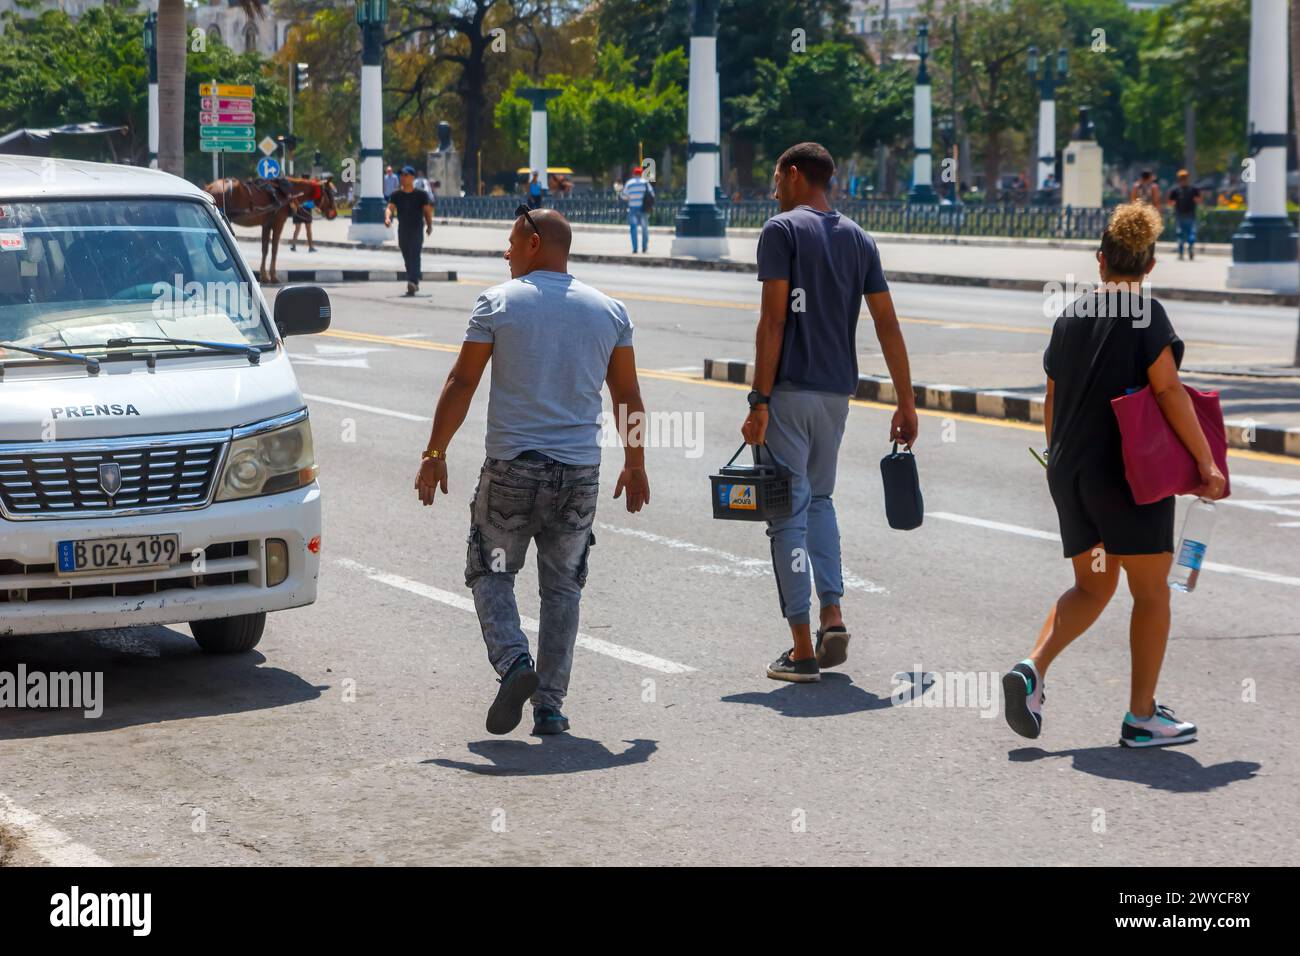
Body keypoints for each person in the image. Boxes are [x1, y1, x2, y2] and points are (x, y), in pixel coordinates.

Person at [413, 207, 651, 736]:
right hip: (578, 477)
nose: (506, 252)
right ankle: (551, 706)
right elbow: (627, 395)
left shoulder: (498, 303)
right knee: (563, 589)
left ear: (536, 242)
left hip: (512, 475)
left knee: (490, 572)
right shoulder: (609, 311)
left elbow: (462, 382)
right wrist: (634, 463)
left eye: (513, 242)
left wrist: (434, 453)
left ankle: (515, 663)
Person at [1003, 203, 1227, 748]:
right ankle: (1141, 717)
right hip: (1131, 477)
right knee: (1151, 593)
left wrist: (1059, 460)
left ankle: (1031, 671)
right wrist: (1205, 462)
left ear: (1101, 262)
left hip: (1073, 474)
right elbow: (1170, 392)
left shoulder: (1069, 316)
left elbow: (1051, 400)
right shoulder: (1149, 316)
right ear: (1149, 266)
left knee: (1093, 582)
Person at [741, 142, 917, 683]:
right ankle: (832, 614)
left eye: (775, 176)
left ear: (795, 175)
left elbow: (773, 321)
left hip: (789, 394)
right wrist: (906, 400)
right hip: (837, 397)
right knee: (819, 501)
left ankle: (801, 650)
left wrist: (758, 400)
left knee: (784, 518)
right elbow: (887, 323)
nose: (772, 188)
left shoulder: (781, 232)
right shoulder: (858, 238)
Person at [384, 166, 433, 296]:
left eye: (405, 175)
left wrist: (429, 225)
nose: (403, 178)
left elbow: (427, 211)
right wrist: (388, 218)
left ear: (412, 177)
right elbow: (390, 208)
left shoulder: (421, 195)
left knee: (415, 253)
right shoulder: (397, 195)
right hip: (403, 230)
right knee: (406, 255)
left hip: (417, 229)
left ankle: (413, 281)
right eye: (401, 175)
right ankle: (412, 280)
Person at [1167, 169, 1202, 260]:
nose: (1183, 180)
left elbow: (1170, 202)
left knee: (1184, 234)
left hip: (1185, 215)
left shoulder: (1180, 190)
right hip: (1184, 215)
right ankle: (1185, 251)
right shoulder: (1189, 189)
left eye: (1184, 178)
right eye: (1182, 178)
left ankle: (1184, 251)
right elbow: (1199, 200)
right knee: (1185, 233)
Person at [621, 165, 653, 254]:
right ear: (641, 174)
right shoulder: (645, 183)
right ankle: (644, 248)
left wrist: (630, 197)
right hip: (644, 208)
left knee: (633, 229)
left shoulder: (629, 183)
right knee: (644, 229)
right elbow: (652, 194)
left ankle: (635, 248)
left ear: (634, 174)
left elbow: (623, 196)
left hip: (633, 208)